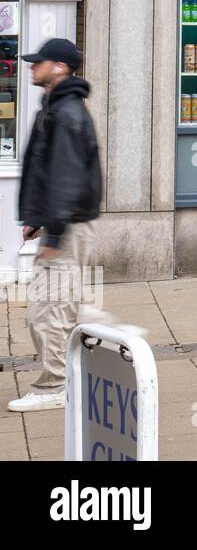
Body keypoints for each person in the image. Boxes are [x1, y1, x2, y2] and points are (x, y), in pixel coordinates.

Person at [9, 38, 103, 413]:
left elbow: (67, 177)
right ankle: (63, 379)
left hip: (67, 228)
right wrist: (37, 219)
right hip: (59, 224)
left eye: (39, 63)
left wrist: (55, 232)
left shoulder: (67, 113)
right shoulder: (56, 107)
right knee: (48, 308)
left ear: (60, 68)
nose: (32, 67)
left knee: (51, 310)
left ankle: (54, 387)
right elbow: (48, 170)